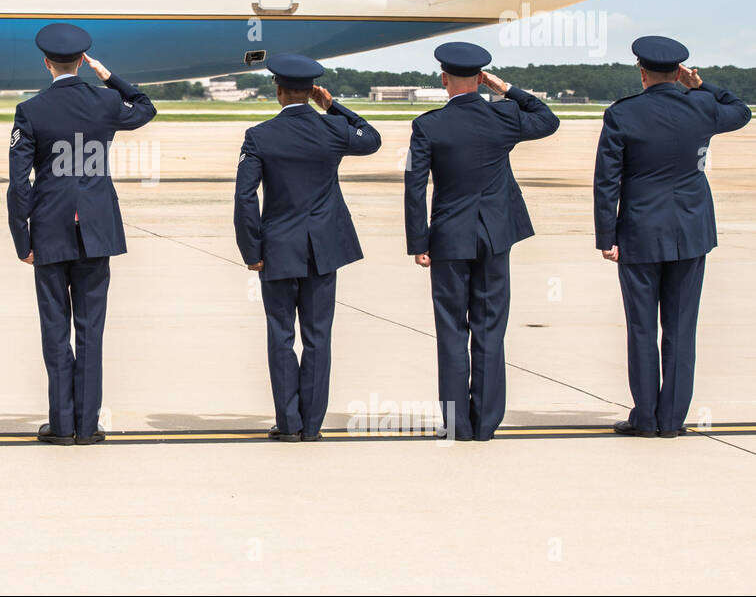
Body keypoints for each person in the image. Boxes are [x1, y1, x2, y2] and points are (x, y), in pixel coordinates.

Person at [594, 36, 751, 438]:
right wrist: (701, 86)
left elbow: (606, 181)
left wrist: (605, 236)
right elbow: (741, 111)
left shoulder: (622, 114)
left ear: (642, 71)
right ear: (678, 72)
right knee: (681, 329)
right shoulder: (702, 107)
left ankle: (645, 417)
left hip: (639, 232)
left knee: (642, 328)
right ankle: (672, 420)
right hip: (690, 231)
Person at [6, 23, 156, 445]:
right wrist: (110, 77)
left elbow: (19, 184)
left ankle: (61, 422)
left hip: (51, 229)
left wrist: (23, 239)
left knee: (55, 330)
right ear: (82, 62)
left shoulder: (31, 110)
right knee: (91, 330)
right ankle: (88, 425)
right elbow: (145, 108)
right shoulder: (106, 101)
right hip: (96, 227)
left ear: (46, 62)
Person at [404, 42, 559, 442]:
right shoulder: (504, 115)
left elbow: (414, 186)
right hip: (495, 235)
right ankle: (485, 423)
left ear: (444, 80)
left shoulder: (428, 125)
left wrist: (419, 241)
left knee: (451, 331)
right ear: (480, 79)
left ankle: (457, 424)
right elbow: (547, 119)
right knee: (490, 329)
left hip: (449, 238)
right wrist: (507, 89)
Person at [234, 54, 381, 442]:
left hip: (278, 248)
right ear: (311, 91)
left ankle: (289, 423)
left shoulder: (259, 135)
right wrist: (333, 106)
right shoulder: (332, 129)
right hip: (323, 249)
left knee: (281, 336)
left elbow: (245, 198)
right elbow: (371, 138)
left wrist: (252, 250)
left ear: (278, 91)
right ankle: (312, 425)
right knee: (318, 337)